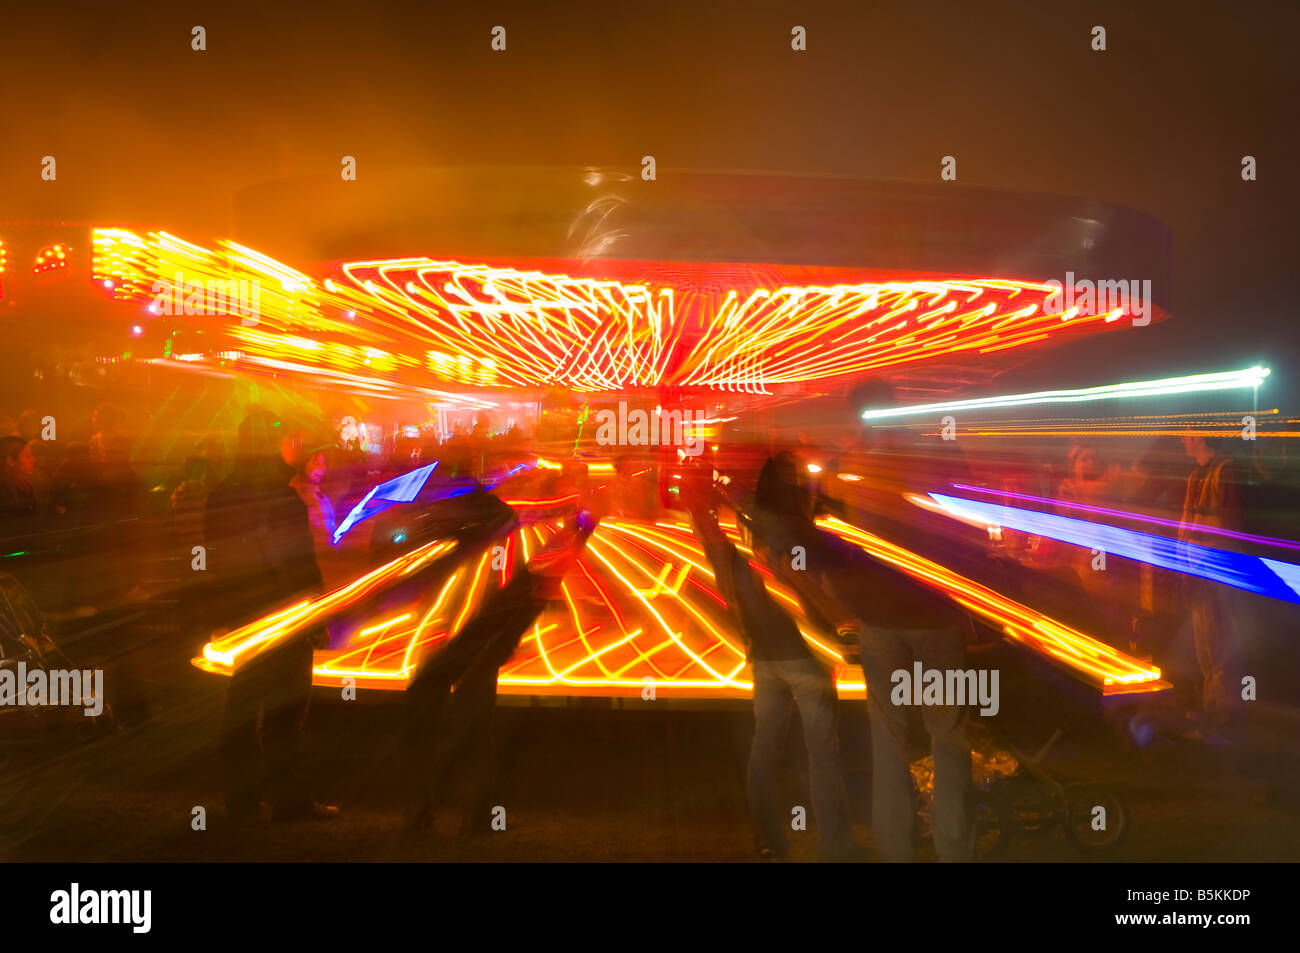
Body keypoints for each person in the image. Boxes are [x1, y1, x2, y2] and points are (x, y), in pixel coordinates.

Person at [744, 451, 975, 862]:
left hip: (878, 621)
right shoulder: (937, 467)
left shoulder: (862, 468)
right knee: (948, 740)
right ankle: (954, 851)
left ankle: (895, 851)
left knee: (888, 742)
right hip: (934, 620)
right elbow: (962, 541)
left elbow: (841, 551)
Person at [682, 467, 858, 861]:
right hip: (806, 661)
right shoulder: (788, 543)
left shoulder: (736, 554)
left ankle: (768, 842)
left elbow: (711, 528)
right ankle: (835, 846)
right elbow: (821, 589)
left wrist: (703, 490)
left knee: (765, 750)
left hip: (765, 660)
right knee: (821, 756)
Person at [203, 410, 335, 823]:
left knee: (242, 708)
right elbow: (296, 563)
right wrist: (313, 614)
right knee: (285, 711)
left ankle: (241, 798)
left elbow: (216, 560)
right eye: (290, 439)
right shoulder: (281, 498)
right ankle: (288, 799)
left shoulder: (221, 495)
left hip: (244, 616)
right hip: (283, 616)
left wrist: (226, 610)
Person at [1178, 432, 1245, 738]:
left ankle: (1221, 721)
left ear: (1201, 437)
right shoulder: (1197, 475)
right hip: (1198, 571)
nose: (1182, 440)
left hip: (1215, 572)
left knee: (1218, 645)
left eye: (1187, 434)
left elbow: (1230, 528)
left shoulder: (1224, 472)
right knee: (1205, 644)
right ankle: (1212, 715)